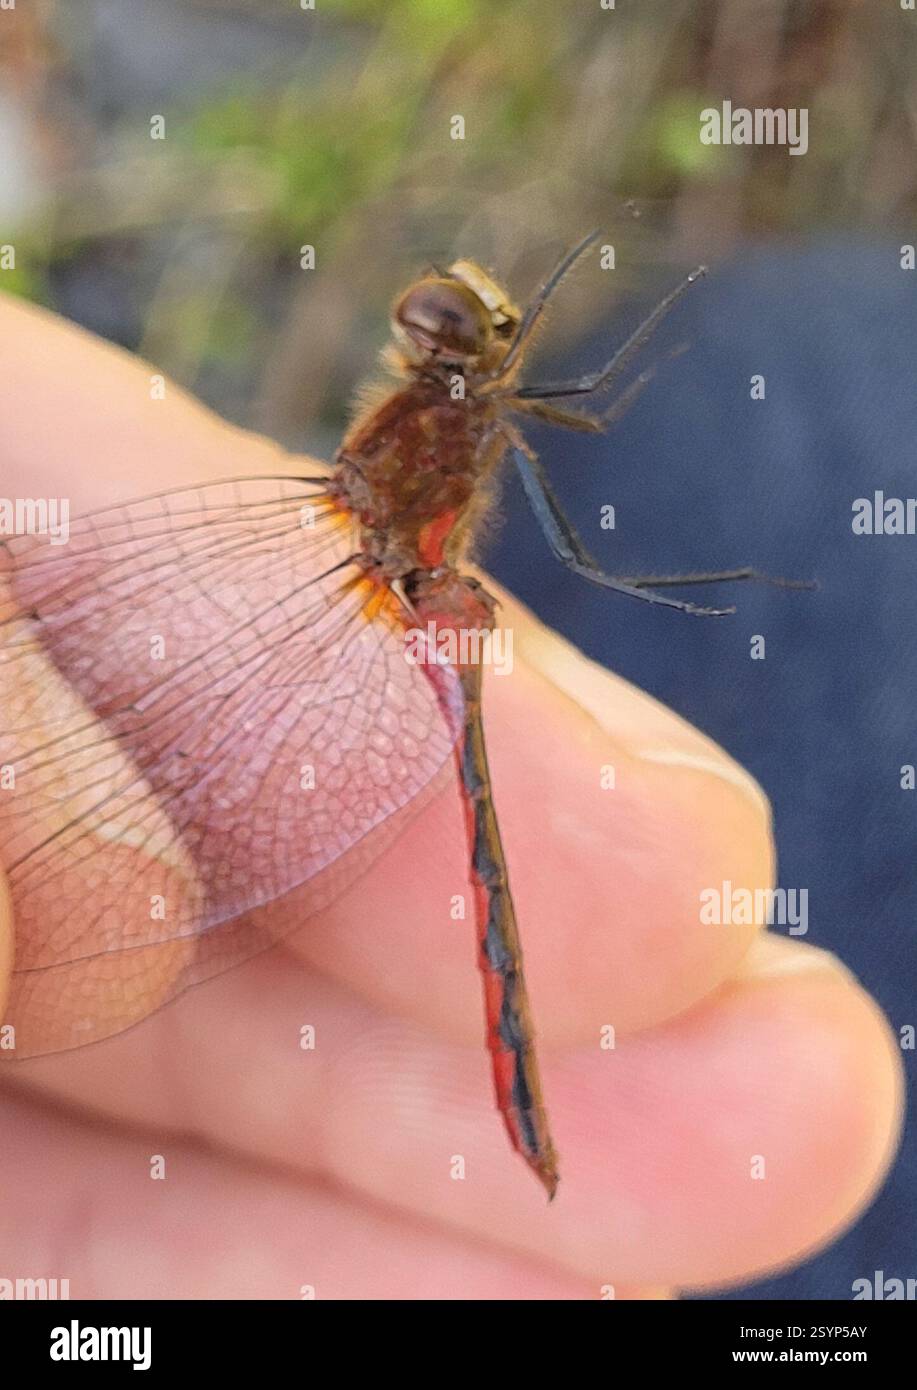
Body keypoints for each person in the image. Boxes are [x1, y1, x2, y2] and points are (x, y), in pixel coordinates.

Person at [0, 293, 901, 1299]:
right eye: (466, 329)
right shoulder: (447, 423)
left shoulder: (457, 413)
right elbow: (591, 431)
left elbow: (590, 422)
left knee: (806, 365)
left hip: (422, 595)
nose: (492, 332)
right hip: (412, 593)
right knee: (820, 373)